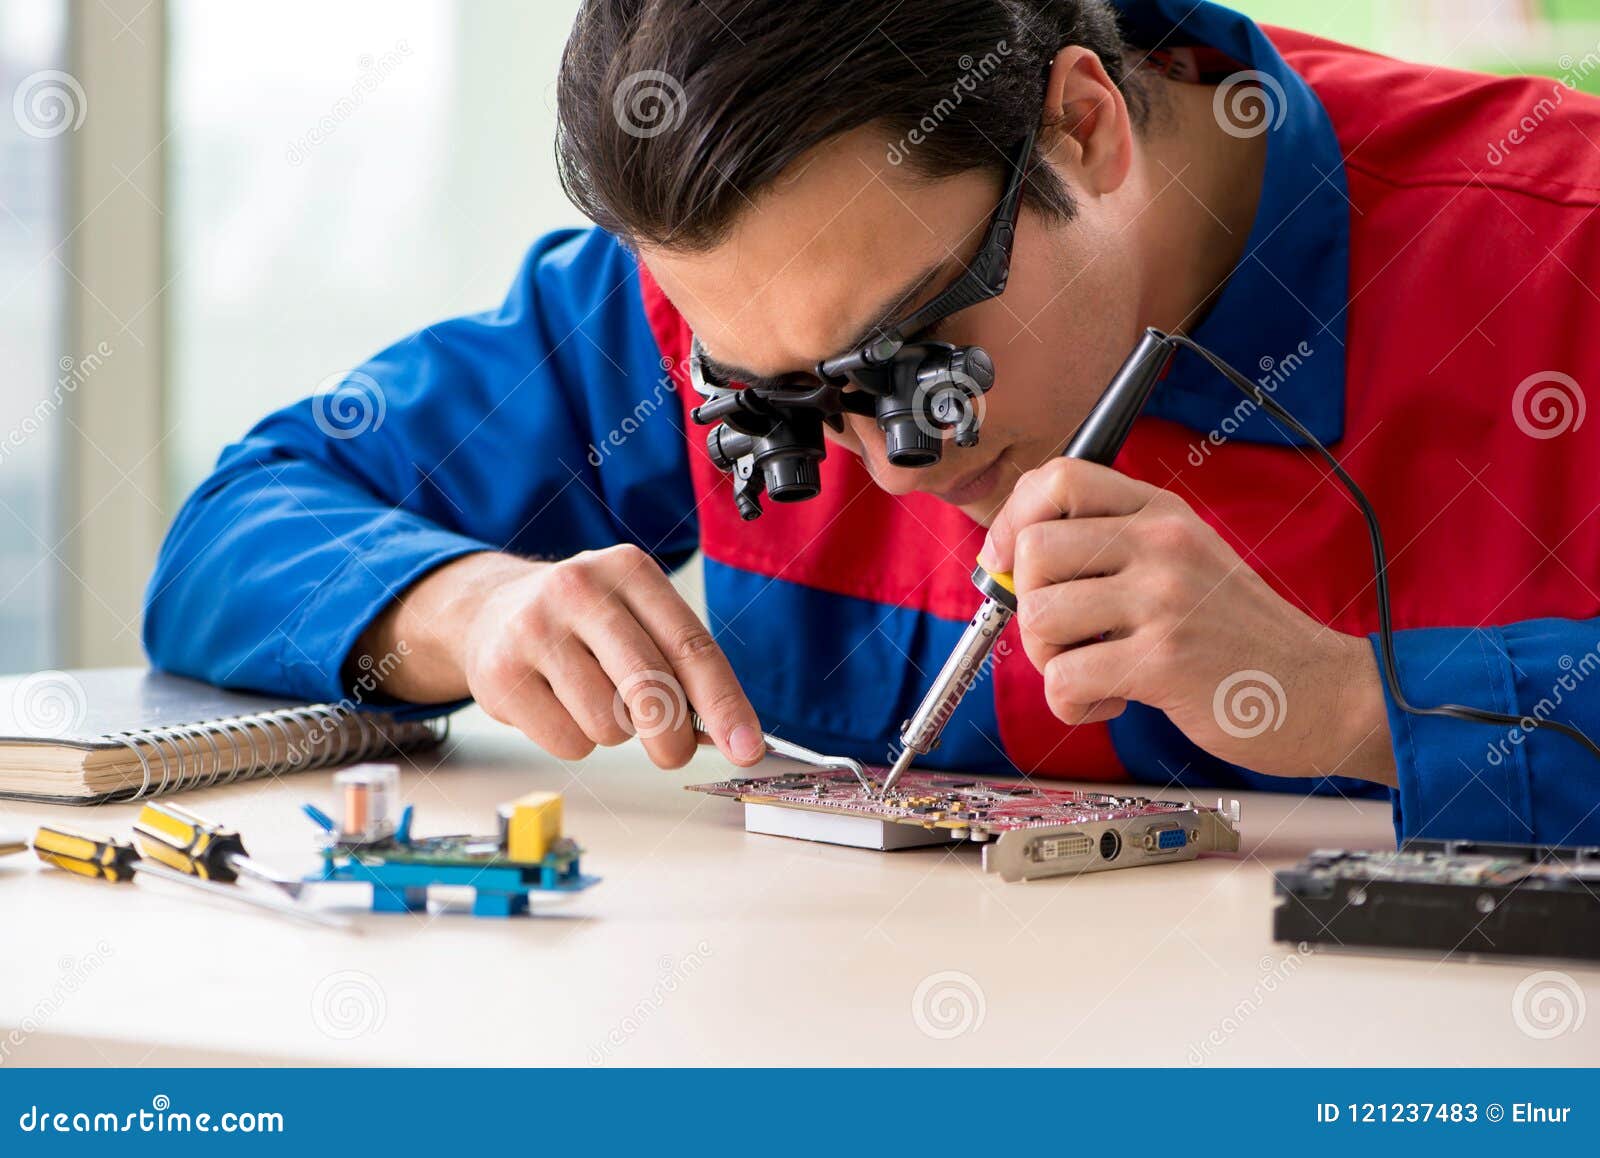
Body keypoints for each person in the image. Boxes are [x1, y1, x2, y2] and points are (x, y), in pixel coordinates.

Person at [146, 0, 1600, 846]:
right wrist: (480, 609)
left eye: (916, 352)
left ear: (1082, 126)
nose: (897, 458)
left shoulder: (1559, 258)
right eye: (786, 402)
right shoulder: (733, 293)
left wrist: (1352, 698)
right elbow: (243, 523)